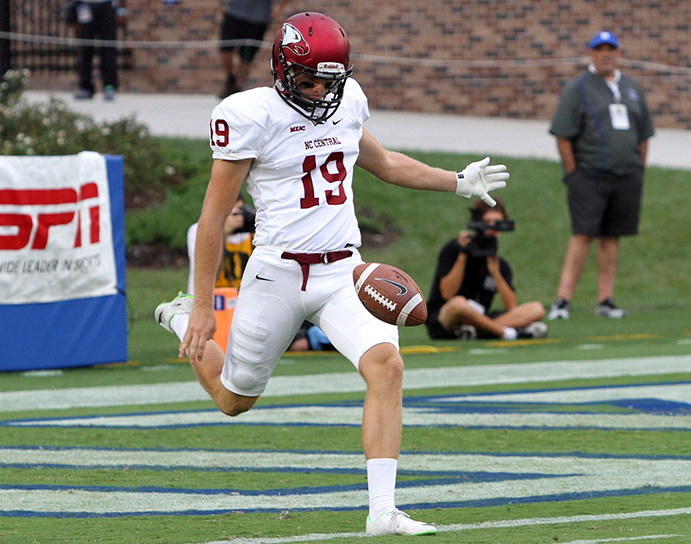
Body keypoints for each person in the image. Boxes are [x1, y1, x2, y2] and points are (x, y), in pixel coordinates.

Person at [154, 12, 508, 535]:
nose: (320, 89)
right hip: (276, 274)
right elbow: (212, 217)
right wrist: (203, 304)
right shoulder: (250, 114)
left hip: (344, 270)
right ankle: (182, 322)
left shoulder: (346, 103)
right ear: (282, 67)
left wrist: (455, 181)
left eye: (330, 79)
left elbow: (384, 163)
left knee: (387, 366)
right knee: (235, 400)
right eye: (309, 78)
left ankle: (383, 512)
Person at [547, 30, 654, 321]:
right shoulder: (578, 88)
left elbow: (644, 133)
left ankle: (605, 299)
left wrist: (639, 168)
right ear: (592, 54)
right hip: (590, 175)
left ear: (619, 53)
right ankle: (563, 300)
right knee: (582, 235)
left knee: (612, 237)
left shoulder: (631, 87)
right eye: (600, 49)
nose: (606, 54)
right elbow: (563, 134)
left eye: (611, 49)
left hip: (627, 176)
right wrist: (574, 174)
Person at [185, 195, 326, 351]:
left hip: (252, 304)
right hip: (218, 306)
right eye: (232, 212)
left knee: (301, 342)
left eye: (240, 211)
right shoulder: (200, 232)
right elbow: (212, 275)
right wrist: (222, 234)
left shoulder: (256, 233)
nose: (237, 217)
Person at [425, 200, 547, 341]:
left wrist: (495, 272)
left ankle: (480, 330)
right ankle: (508, 333)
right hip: (446, 316)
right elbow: (447, 294)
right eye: (488, 221)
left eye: (498, 223)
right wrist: (463, 255)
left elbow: (511, 306)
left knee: (536, 308)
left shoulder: (500, 264)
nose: (492, 227)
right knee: (458, 303)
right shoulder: (454, 249)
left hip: (479, 317)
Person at [218, 0, 289, 98]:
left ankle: (237, 87)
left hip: (258, 19)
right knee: (226, 50)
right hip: (233, 13)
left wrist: (278, 9)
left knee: (247, 57)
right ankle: (231, 79)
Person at [72, 0, 125, 100]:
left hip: (107, 6)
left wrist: (121, 11)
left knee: (108, 50)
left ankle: (109, 86)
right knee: (85, 50)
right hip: (85, 6)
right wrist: (73, 13)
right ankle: (85, 87)